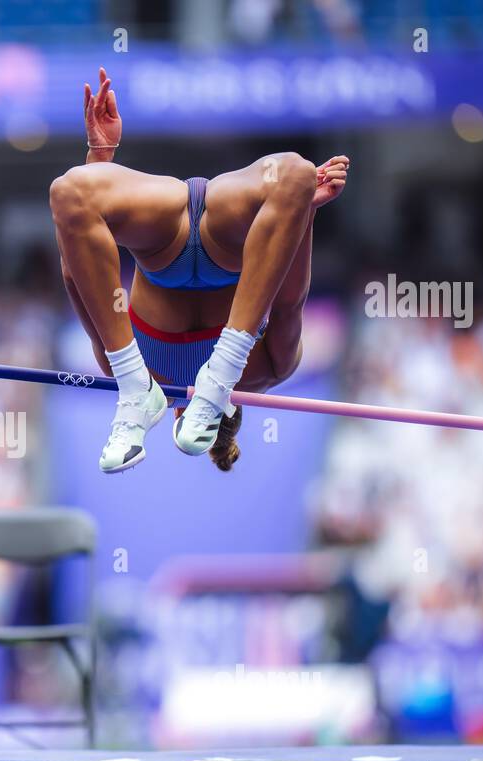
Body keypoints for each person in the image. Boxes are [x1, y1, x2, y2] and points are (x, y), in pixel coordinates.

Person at [51, 68, 349, 473]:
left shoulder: (135, 370)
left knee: (68, 190)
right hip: (227, 240)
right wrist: (298, 209)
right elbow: (72, 274)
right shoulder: (266, 370)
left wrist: (98, 167)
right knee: (295, 173)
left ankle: (147, 395)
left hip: (162, 241)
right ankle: (225, 362)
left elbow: (78, 274)